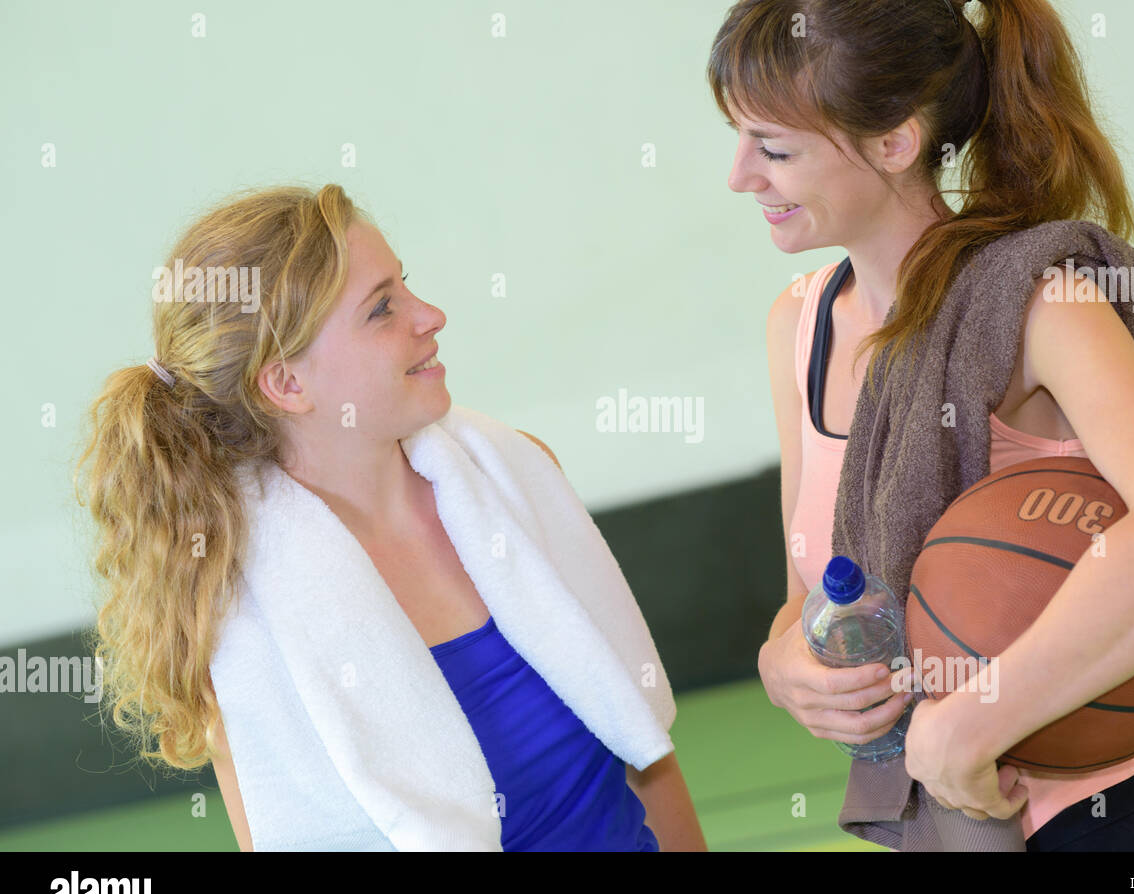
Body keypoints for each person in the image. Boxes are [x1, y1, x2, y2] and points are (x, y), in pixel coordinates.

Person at [712, 0, 1134, 850]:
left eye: (771, 149)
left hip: (1115, 820)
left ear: (894, 142)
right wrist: (786, 664)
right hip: (948, 829)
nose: (739, 175)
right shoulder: (799, 324)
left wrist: (973, 719)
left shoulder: (1036, 300)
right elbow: (812, 595)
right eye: (738, 139)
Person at [75, 184, 707, 851]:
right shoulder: (236, 618)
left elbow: (640, 742)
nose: (430, 315)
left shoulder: (515, 476)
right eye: (382, 309)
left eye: (406, 286)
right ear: (287, 384)